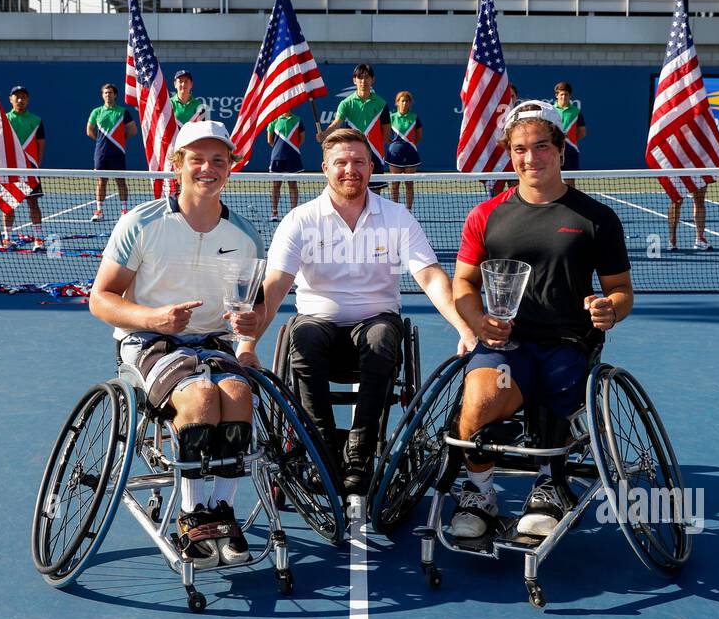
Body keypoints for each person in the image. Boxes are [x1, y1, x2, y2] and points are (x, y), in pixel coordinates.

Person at [252, 128, 476, 496]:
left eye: (358, 161)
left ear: (372, 167)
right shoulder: (300, 220)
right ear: (325, 168)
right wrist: (248, 342)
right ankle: (321, 449)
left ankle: (360, 452)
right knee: (302, 334)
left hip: (375, 325)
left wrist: (464, 327)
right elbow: (274, 287)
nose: (350, 169)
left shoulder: (397, 217)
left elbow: (431, 277)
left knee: (383, 335)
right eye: (341, 162)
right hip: (317, 324)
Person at [449, 100, 633, 540]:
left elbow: (622, 291)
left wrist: (611, 309)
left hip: (569, 341)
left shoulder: (598, 219)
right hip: (504, 345)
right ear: (510, 154)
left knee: (558, 394)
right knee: (478, 405)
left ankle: (550, 484)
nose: (531, 158)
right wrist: (477, 319)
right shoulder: (486, 214)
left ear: (561, 150)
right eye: (519, 149)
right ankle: (479, 492)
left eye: (541, 147)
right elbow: (462, 284)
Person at [89, 119, 267, 570]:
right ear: (177, 164)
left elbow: (256, 310)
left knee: (238, 393)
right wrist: (155, 318)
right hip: (149, 339)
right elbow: (100, 298)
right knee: (202, 395)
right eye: (197, 159)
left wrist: (248, 333)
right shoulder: (140, 223)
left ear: (231, 167)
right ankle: (191, 515)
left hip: (212, 341)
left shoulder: (245, 236)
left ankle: (221, 511)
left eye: (219, 160)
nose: (208, 168)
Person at [323, 64, 390, 179]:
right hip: (352, 153)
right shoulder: (346, 103)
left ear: (372, 80)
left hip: (375, 154)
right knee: (353, 191)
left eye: (367, 77)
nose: (363, 81)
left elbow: (386, 133)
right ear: (354, 80)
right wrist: (324, 134)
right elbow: (336, 123)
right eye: (360, 77)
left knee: (375, 191)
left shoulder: (381, 104)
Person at [86, 82, 136, 223]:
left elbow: (133, 130)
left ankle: (124, 210)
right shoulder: (96, 112)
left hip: (118, 152)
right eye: (105, 92)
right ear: (102, 95)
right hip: (101, 153)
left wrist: (120, 139)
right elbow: (89, 130)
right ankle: (99, 211)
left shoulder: (123, 112)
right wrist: (100, 142)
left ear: (115, 95)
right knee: (101, 181)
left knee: (121, 181)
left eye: (110, 92)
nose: (108, 95)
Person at [3, 85, 45, 252]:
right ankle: (7, 238)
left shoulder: (36, 120)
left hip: (30, 171)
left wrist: (35, 166)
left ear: (27, 100)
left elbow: (41, 144)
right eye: (16, 97)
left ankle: (38, 240)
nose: (20, 100)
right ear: (10, 99)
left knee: (33, 203)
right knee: (8, 204)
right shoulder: (3, 119)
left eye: (23, 97)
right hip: (9, 171)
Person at [266, 108, 307, 220]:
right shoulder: (273, 121)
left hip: (292, 157)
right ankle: (274, 212)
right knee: (276, 185)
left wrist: (292, 148)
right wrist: (279, 150)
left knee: (293, 185)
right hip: (277, 158)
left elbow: (302, 138)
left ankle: (293, 212)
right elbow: (270, 140)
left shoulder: (298, 120)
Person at [386, 90, 422, 211]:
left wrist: (409, 146)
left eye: (407, 101)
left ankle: (408, 210)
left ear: (410, 103)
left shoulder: (415, 118)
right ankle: (395, 210)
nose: (405, 103)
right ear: (397, 103)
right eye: (402, 101)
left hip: (410, 155)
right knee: (395, 184)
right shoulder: (391, 118)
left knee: (409, 184)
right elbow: (385, 135)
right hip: (394, 156)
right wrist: (394, 145)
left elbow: (419, 136)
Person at [553, 81, 588, 187]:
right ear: (556, 95)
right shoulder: (551, 110)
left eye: (566, 94)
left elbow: (582, 132)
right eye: (561, 94)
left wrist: (570, 140)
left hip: (570, 151)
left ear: (570, 96)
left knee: (570, 182)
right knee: (553, 179)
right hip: (554, 150)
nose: (564, 97)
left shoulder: (576, 111)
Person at [668, 185, 713, 251]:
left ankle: (700, 239)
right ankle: (672, 239)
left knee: (699, 200)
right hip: (678, 175)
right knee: (676, 201)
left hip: (697, 174)